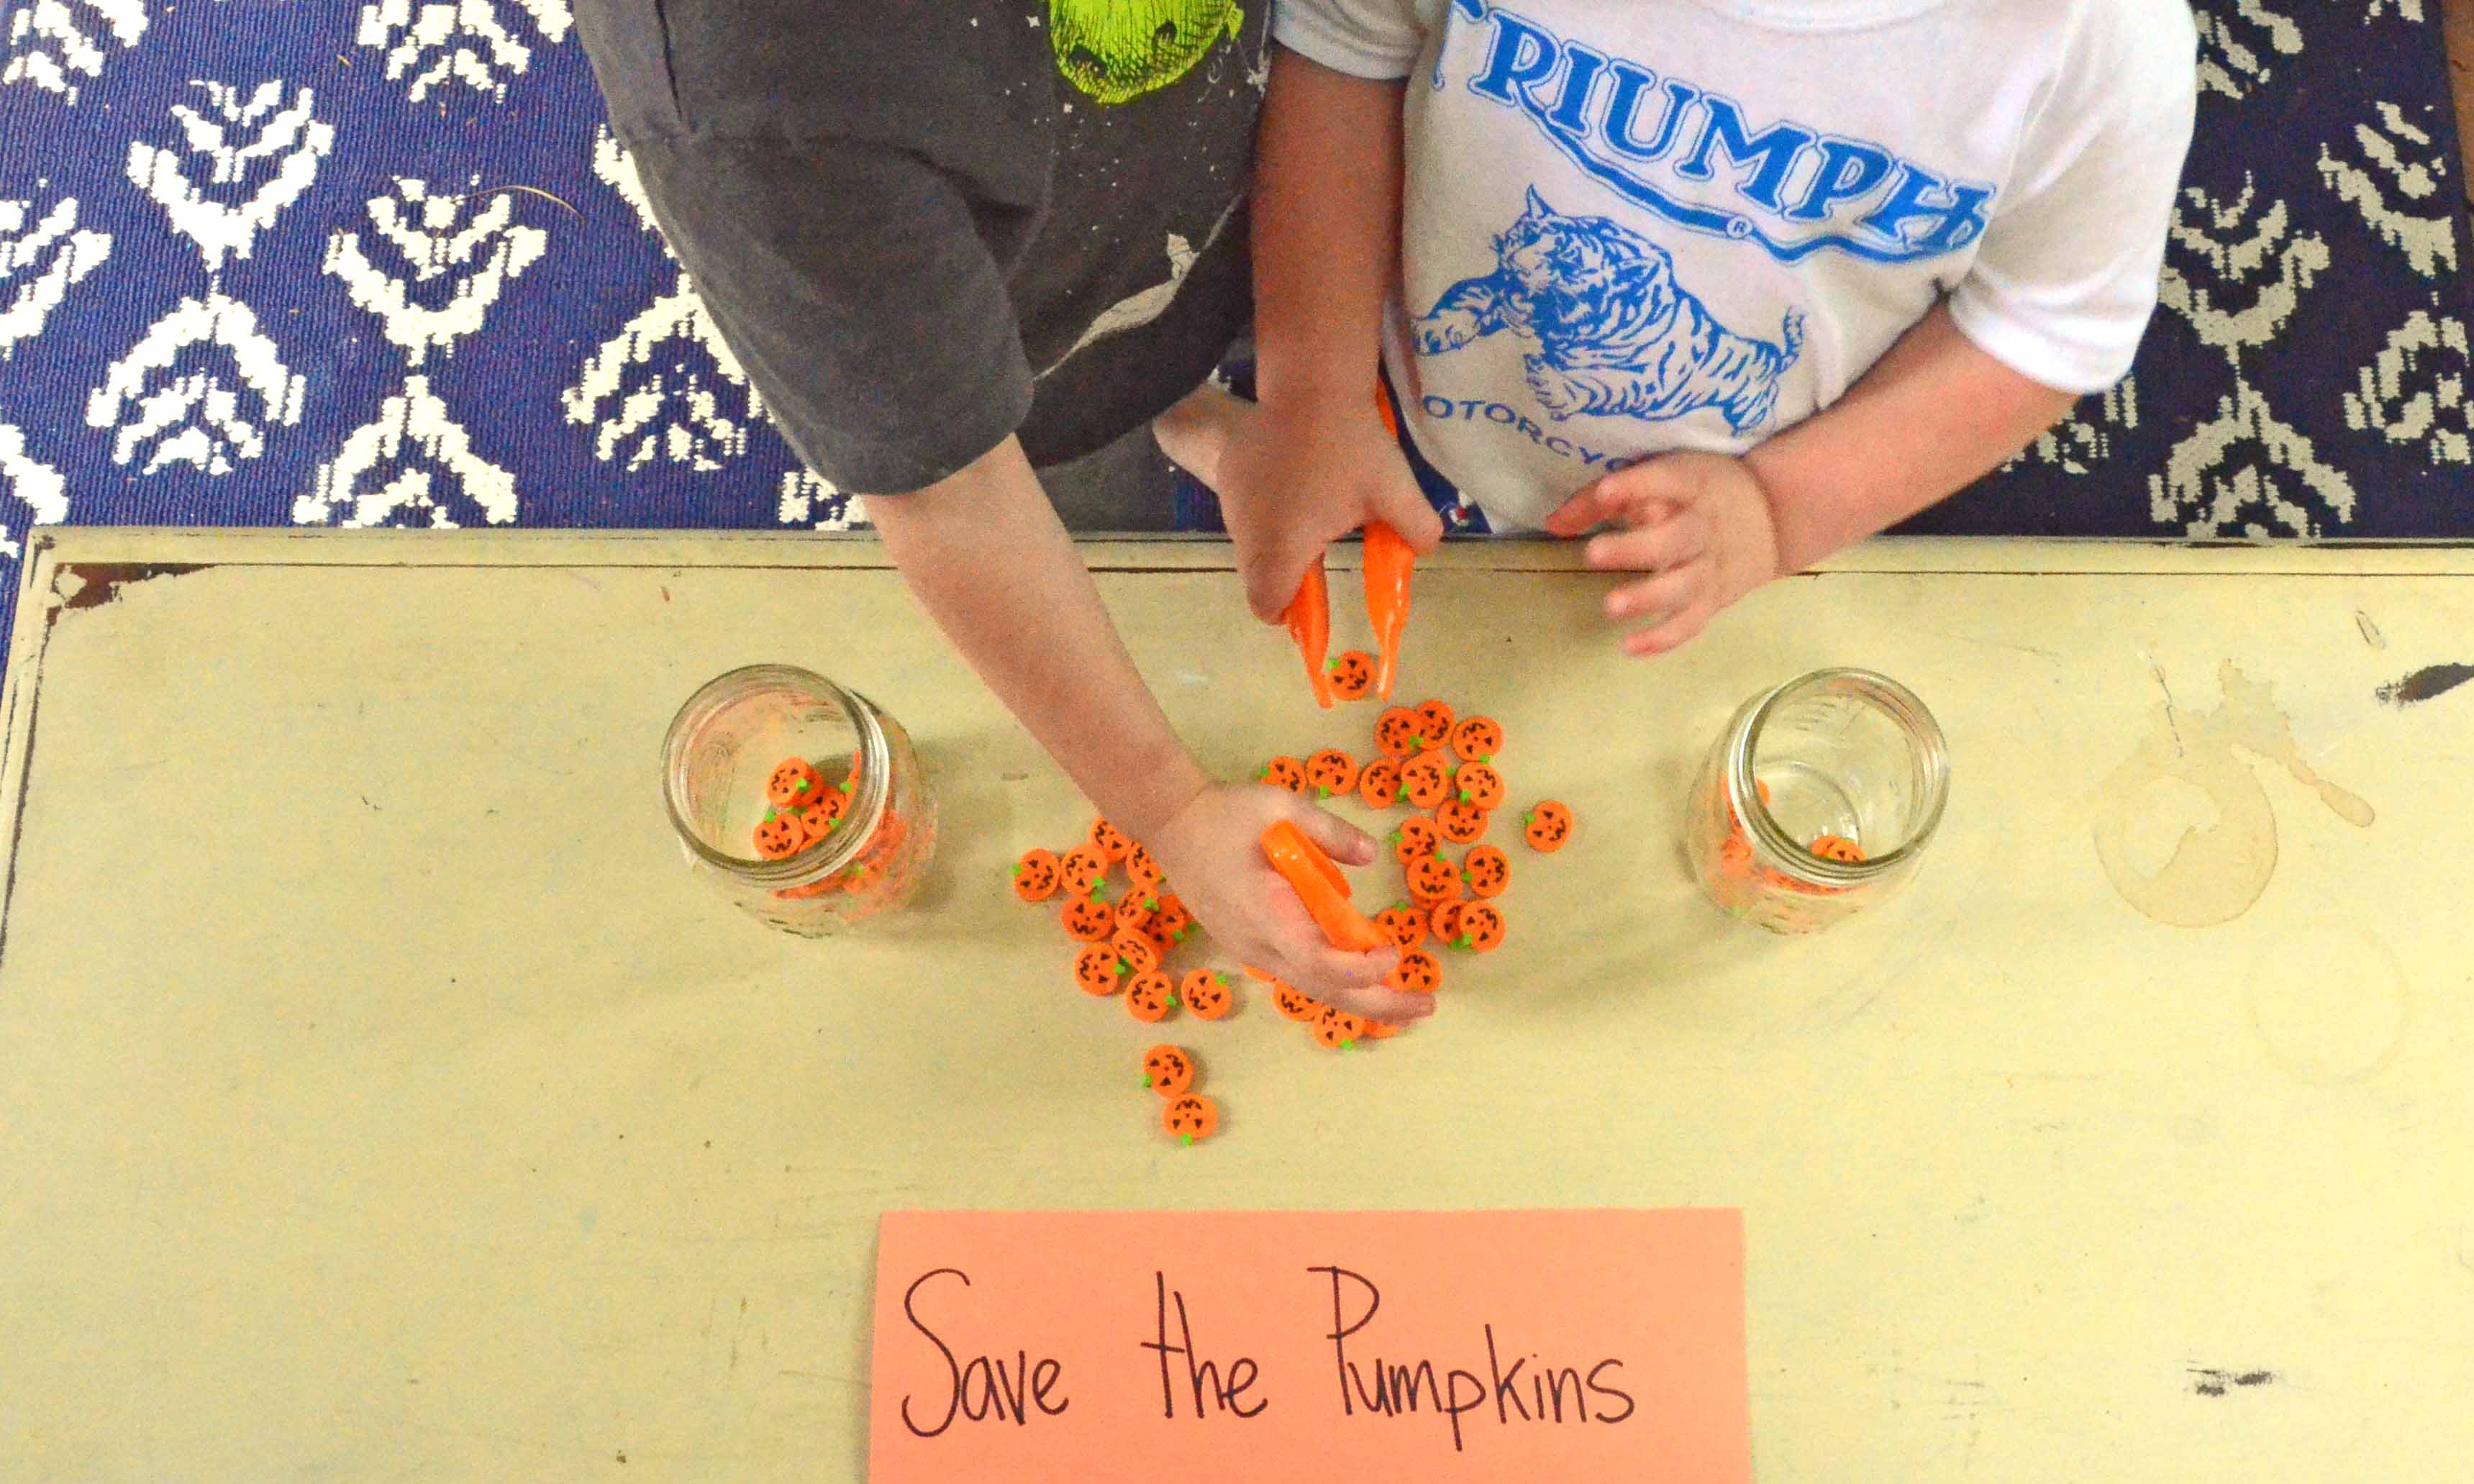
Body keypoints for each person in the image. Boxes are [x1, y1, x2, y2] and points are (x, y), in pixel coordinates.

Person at [572, 0, 1434, 1022]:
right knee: (1047, 439)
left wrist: (1309, 389)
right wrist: (1172, 810)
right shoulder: (767, 116)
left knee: (1148, 299)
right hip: (1011, 350)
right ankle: (1132, 405)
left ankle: (1171, 396)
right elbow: (951, 486)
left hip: (1196, 168)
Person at [1216, 0, 2199, 654]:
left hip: (1733, 532)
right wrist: (1314, 392)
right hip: (1386, 423)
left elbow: (2039, 330)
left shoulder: (2095, 42)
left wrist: (1778, 512)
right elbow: (1351, 51)